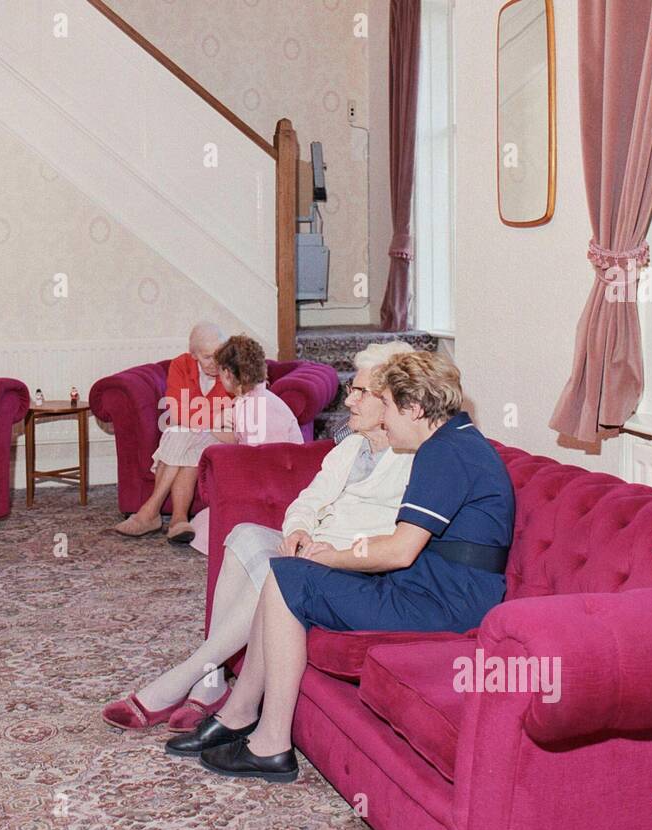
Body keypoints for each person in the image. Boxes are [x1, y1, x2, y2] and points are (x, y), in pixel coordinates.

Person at [168, 351, 515, 783]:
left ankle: (271, 743)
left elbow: (399, 551)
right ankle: (244, 716)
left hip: (445, 603)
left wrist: (327, 556)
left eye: (385, 406)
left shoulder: (445, 454)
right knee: (286, 574)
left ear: (414, 409)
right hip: (431, 587)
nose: (382, 420)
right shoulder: (451, 442)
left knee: (289, 575)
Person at [102, 342, 415, 732]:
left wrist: (329, 548)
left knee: (274, 570)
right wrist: (298, 528)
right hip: (312, 546)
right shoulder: (352, 445)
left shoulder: (412, 460)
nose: (349, 399)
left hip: (348, 566)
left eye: (360, 392)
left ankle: (185, 678)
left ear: (390, 401)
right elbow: (308, 498)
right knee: (242, 535)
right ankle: (212, 682)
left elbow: (393, 534)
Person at [114, 322, 230, 541]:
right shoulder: (180, 366)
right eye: (207, 357)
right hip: (189, 432)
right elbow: (174, 414)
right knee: (182, 438)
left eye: (220, 354)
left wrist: (199, 419)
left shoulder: (233, 367)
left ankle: (150, 512)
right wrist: (210, 418)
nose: (215, 363)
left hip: (220, 438)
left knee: (183, 437)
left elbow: (233, 420)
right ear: (193, 354)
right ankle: (178, 520)